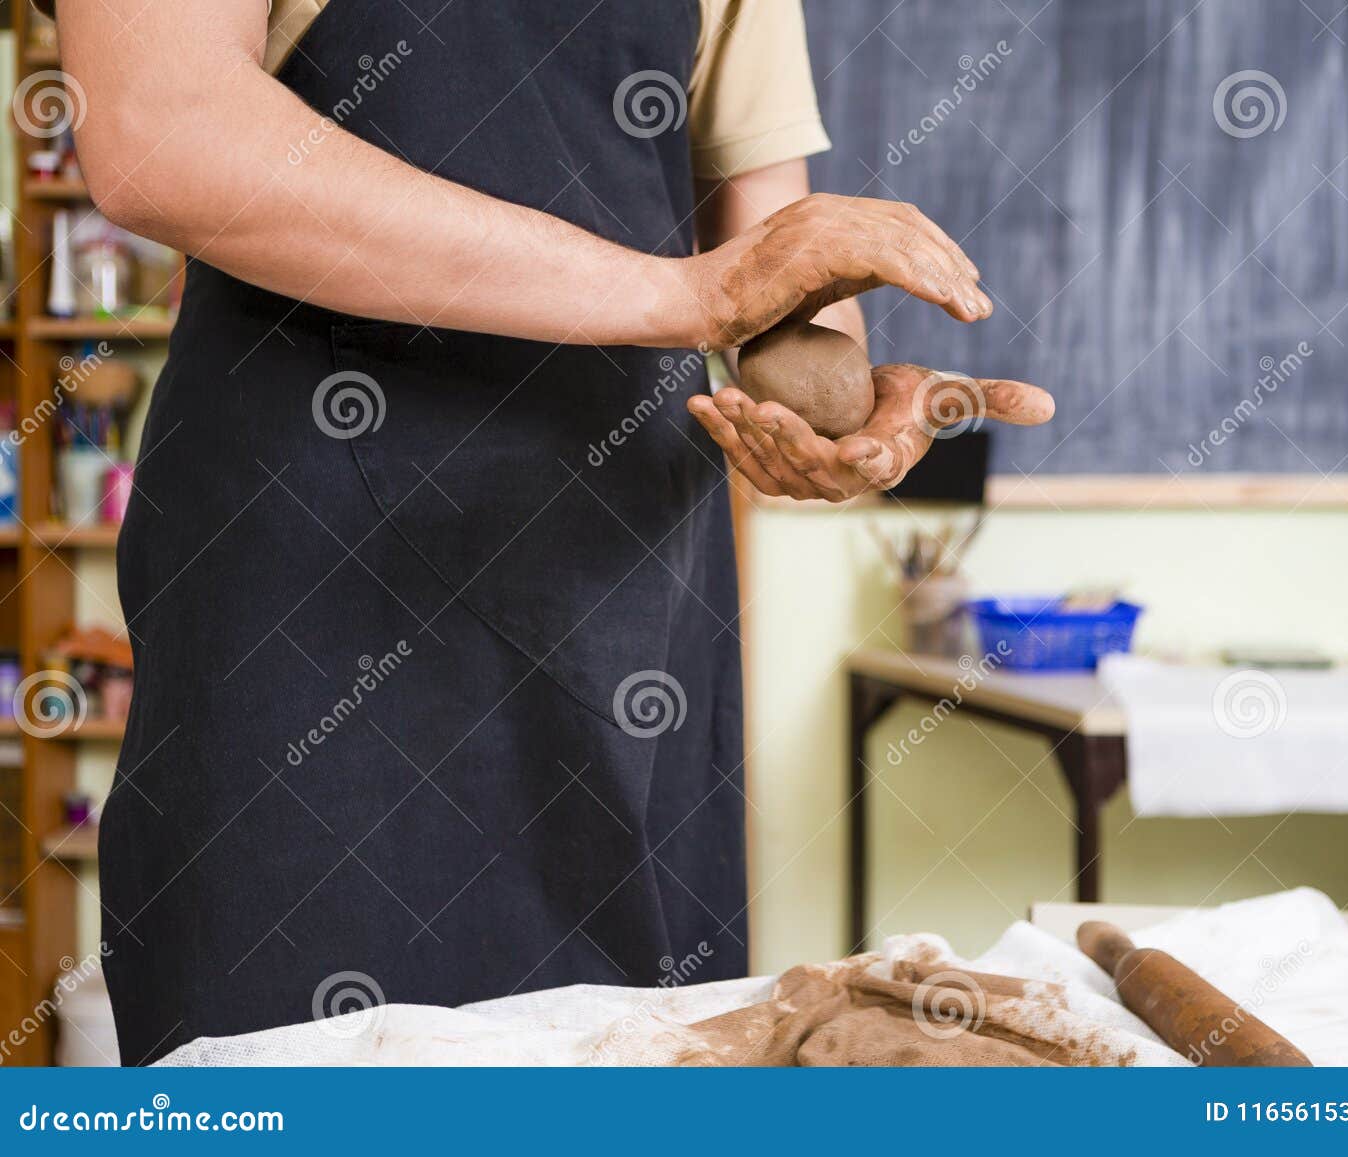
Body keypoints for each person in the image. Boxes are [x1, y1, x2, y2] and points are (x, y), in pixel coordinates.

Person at [53, 0, 1052, 1063]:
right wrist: (684, 296)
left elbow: (763, 244)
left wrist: (834, 404)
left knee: (634, 1079)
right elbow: (162, 126)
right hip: (317, 594)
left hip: (630, 615)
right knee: (300, 1077)